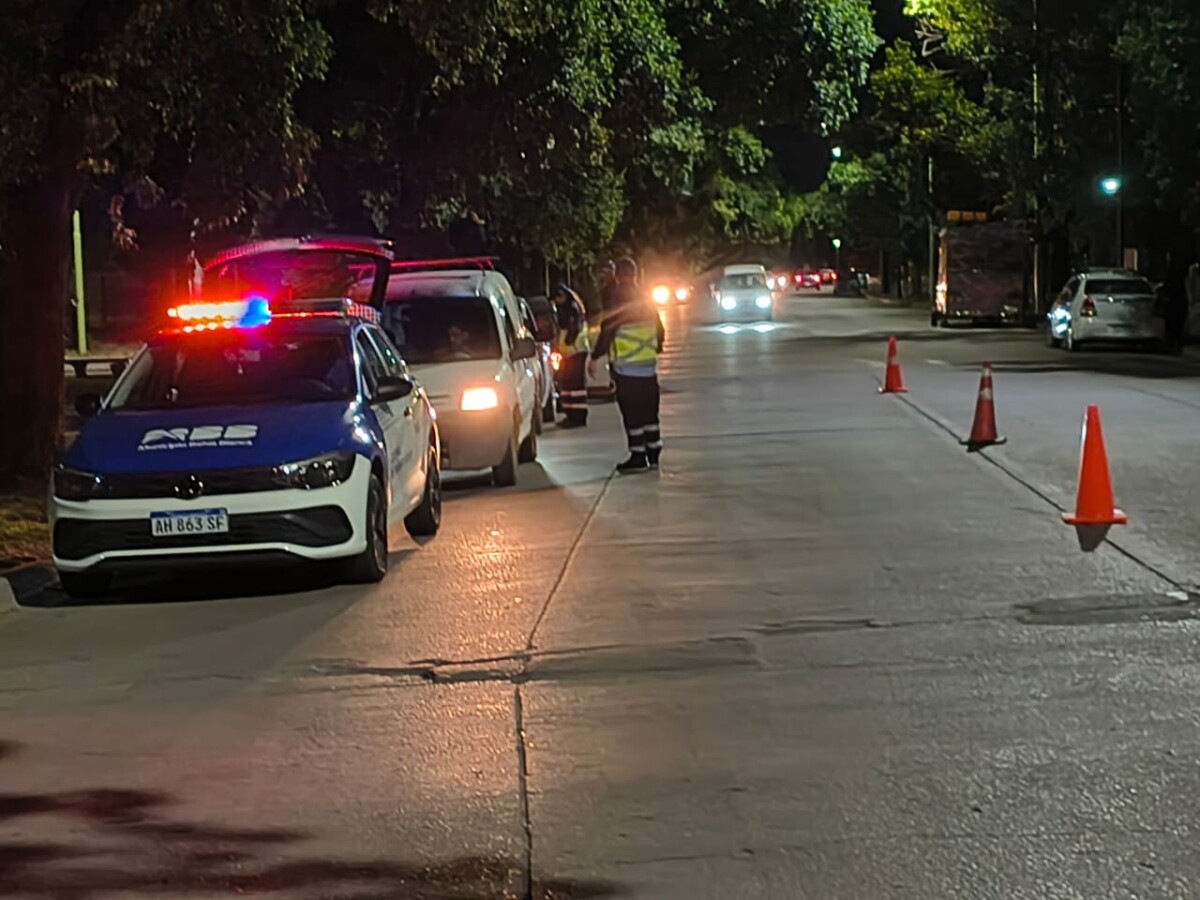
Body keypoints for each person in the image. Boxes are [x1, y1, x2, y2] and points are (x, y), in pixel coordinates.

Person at [589, 256, 665, 472]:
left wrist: (596, 357)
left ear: (617, 274)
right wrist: (656, 347)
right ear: (635, 273)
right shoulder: (645, 298)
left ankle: (638, 455)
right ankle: (654, 452)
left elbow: (609, 328)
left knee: (632, 414)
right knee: (650, 412)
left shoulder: (616, 298)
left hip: (626, 369)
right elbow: (659, 328)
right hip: (648, 368)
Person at [550, 283, 590, 428]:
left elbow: (572, 329)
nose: (555, 303)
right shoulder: (573, 306)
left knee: (575, 386)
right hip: (571, 352)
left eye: (556, 298)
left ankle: (577, 416)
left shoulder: (570, 309)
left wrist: (567, 341)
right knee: (569, 385)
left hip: (574, 351)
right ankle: (571, 414)